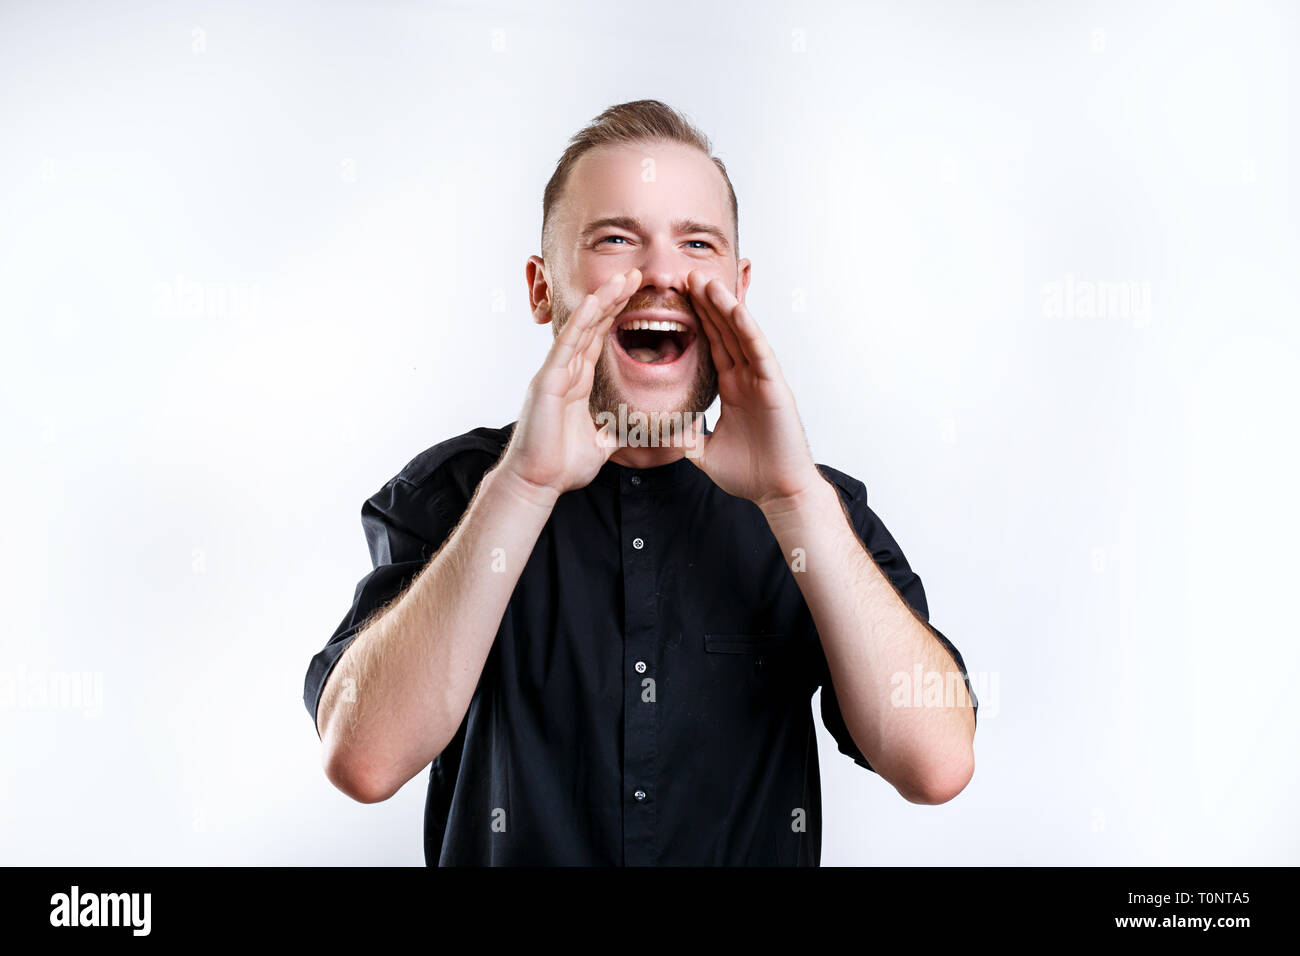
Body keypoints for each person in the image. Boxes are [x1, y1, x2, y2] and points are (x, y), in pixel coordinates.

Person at [303, 99, 978, 866]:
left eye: (697, 243)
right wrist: (521, 487)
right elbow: (362, 759)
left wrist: (794, 504)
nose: (661, 272)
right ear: (540, 287)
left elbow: (938, 765)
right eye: (616, 239)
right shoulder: (452, 494)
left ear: (738, 284)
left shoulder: (820, 510)